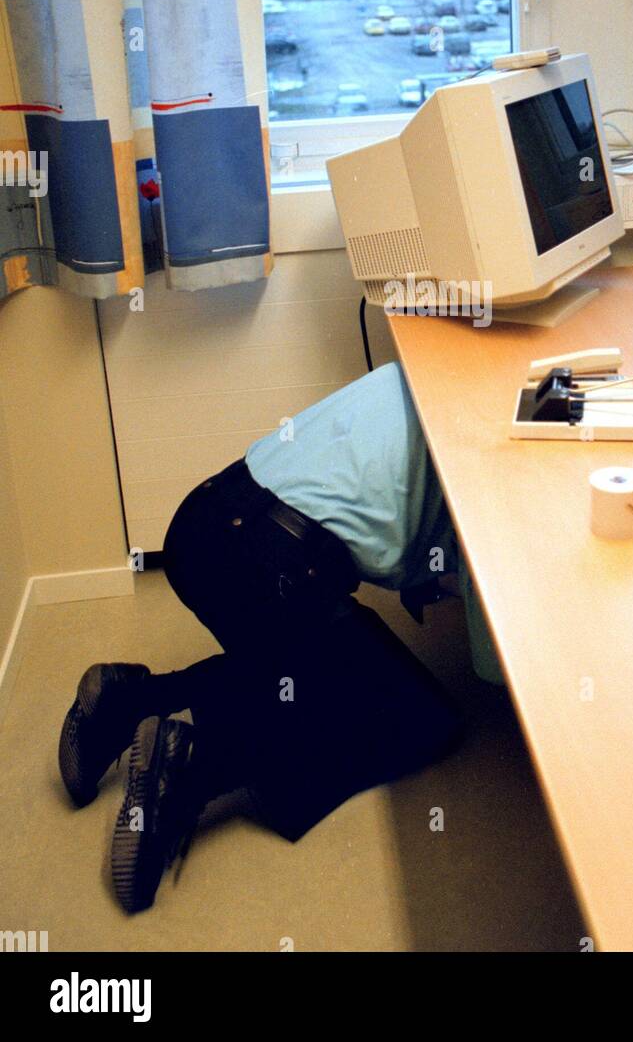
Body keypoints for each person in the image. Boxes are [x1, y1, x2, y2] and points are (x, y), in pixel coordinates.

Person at [57, 363, 495, 914]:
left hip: (201, 527)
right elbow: (492, 658)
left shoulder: (414, 373)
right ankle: (194, 763)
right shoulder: (486, 463)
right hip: (275, 567)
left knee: (296, 665)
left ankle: (132, 699)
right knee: (423, 722)